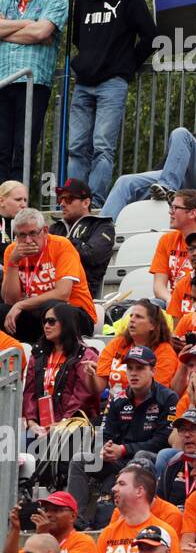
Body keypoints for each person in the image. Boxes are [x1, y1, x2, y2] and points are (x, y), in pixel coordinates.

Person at [65, 0, 158, 207]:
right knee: (76, 148)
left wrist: (126, 64)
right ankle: (72, 200)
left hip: (112, 83)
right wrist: (85, 61)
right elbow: (78, 38)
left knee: (102, 147)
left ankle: (94, 203)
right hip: (83, 82)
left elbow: (151, 36)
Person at [103, 86, 196, 218]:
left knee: (180, 133)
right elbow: (167, 162)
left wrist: (192, 145)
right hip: (178, 179)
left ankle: (166, 186)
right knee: (125, 182)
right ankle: (101, 228)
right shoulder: (194, 137)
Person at [0, 0, 67, 182]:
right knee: (1, 150)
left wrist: (11, 29)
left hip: (33, 83)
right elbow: (37, 31)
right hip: (3, 80)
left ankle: (18, 209)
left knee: (23, 149)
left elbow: (42, 33)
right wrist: (30, 23)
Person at [87, 465, 182, 553]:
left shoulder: (164, 532)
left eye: (121, 484)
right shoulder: (108, 532)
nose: (113, 489)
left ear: (139, 491)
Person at [1, 209, 96, 340]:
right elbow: (10, 300)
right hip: (36, 314)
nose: (28, 241)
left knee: (51, 307)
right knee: (2, 312)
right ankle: (16, 354)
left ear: (45, 231)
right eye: (21, 235)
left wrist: (21, 305)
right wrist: (13, 262)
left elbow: (62, 294)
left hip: (74, 312)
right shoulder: (12, 252)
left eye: (33, 233)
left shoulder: (61, 245)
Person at [20, 302, 101, 452]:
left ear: (66, 323)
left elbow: (82, 397)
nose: (46, 326)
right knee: (15, 444)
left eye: (51, 321)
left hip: (72, 425)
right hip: (39, 425)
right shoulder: (38, 354)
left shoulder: (86, 355)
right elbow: (29, 392)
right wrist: (32, 422)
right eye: (44, 321)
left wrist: (61, 423)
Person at [44, 180, 113, 299]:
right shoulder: (56, 227)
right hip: (47, 290)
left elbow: (92, 256)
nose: (62, 204)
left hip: (80, 296)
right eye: (61, 199)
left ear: (86, 203)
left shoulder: (103, 226)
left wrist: (64, 242)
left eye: (68, 199)